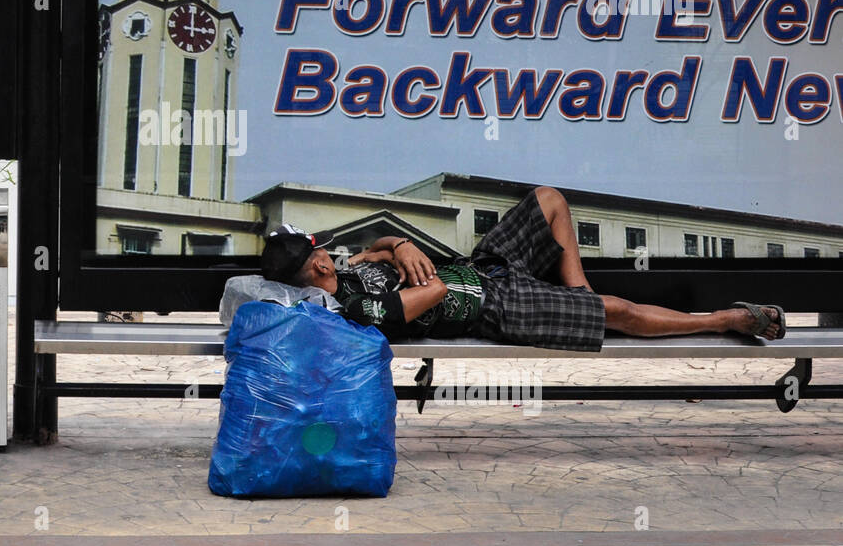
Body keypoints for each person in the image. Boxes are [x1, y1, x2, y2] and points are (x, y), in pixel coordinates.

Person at [259, 186, 786, 351]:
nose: (328, 254)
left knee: (549, 199)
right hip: (495, 306)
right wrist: (422, 273)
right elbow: (428, 298)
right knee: (618, 311)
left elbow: (381, 241)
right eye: (317, 253)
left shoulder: (348, 265)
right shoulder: (352, 305)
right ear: (311, 266)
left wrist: (398, 248)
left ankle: (580, 296)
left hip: (484, 267)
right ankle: (728, 320)